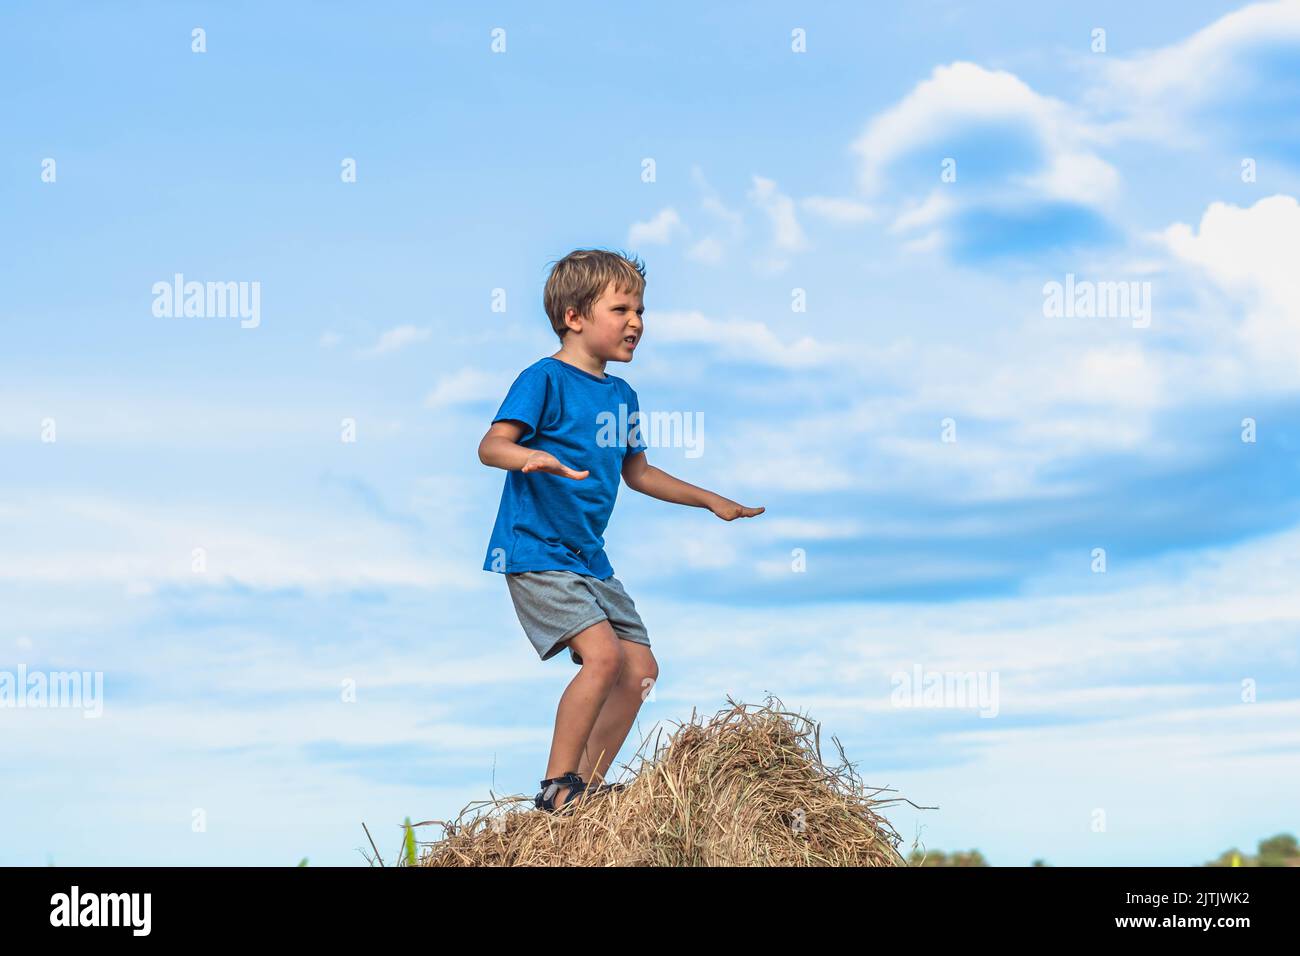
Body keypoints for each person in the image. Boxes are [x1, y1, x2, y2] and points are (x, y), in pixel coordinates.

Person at [478, 248, 764, 812]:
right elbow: (491, 446)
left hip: (589, 558)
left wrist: (710, 499)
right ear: (574, 317)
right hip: (536, 549)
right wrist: (529, 457)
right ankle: (557, 787)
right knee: (603, 658)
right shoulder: (544, 380)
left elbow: (639, 473)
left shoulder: (622, 397)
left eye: (641, 310)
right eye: (622, 309)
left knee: (639, 671)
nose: (637, 322)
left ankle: (588, 789)